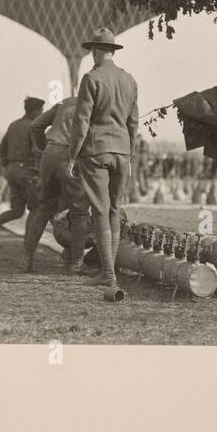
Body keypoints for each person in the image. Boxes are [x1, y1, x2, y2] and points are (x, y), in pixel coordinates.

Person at [68, 28, 138, 296]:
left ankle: (108, 274)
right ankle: (109, 271)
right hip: (122, 152)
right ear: (113, 50)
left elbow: (82, 121)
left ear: (95, 50)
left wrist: (72, 155)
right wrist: (128, 153)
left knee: (99, 211)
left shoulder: (91, 78)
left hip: (96, 151)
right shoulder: (129, 80)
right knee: (115, 210)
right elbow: (133, 122)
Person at [25, 98, 89, 272]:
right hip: (70, 157)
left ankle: (27, 259)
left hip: (49, 154)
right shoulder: (91, 105)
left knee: (44, 208)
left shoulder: (64, 103)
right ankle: (76, 264)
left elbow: (35, 126)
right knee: (79, 213)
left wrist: (43, 145)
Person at [0, 96, 44, 246]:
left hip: (12, 171)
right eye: (41, 111)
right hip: (27, 172)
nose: (42, 114)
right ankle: (28, 249)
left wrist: (8, 165)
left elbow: (2, 148)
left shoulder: (13, 125)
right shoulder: (35, 126)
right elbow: (40, 150)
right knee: (35, 209)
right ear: (35, 111)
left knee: (17, 210)